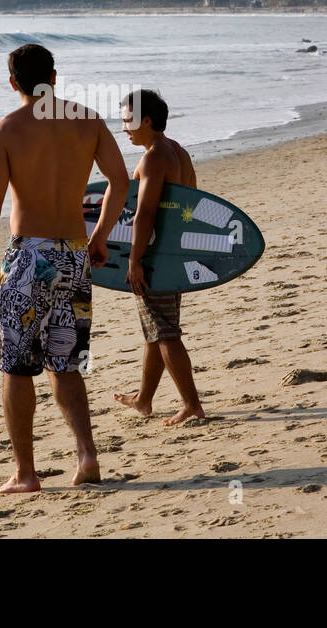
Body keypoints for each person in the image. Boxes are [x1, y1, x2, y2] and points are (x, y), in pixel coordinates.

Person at [0, 43, 129, 494]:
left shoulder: (4, 132)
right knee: (66, 361)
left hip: (28, 257)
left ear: (13, 82)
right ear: (54, 77)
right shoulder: (88, 121)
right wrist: (98, 238)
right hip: (74, 251)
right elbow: (120, 181)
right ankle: (88, 455)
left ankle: (25, 473)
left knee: (17, 366)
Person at [112, 90, 205, 426]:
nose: (124, 128)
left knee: (165, 332)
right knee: (157, 328)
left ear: (146, 120)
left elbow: (146, 211)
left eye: (127, 120)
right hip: (173, 252)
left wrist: (135, 260)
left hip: (155, 257)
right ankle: (144, 398)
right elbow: (189, 203)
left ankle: (192, 405)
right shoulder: (177, 151)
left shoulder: (153, 158)